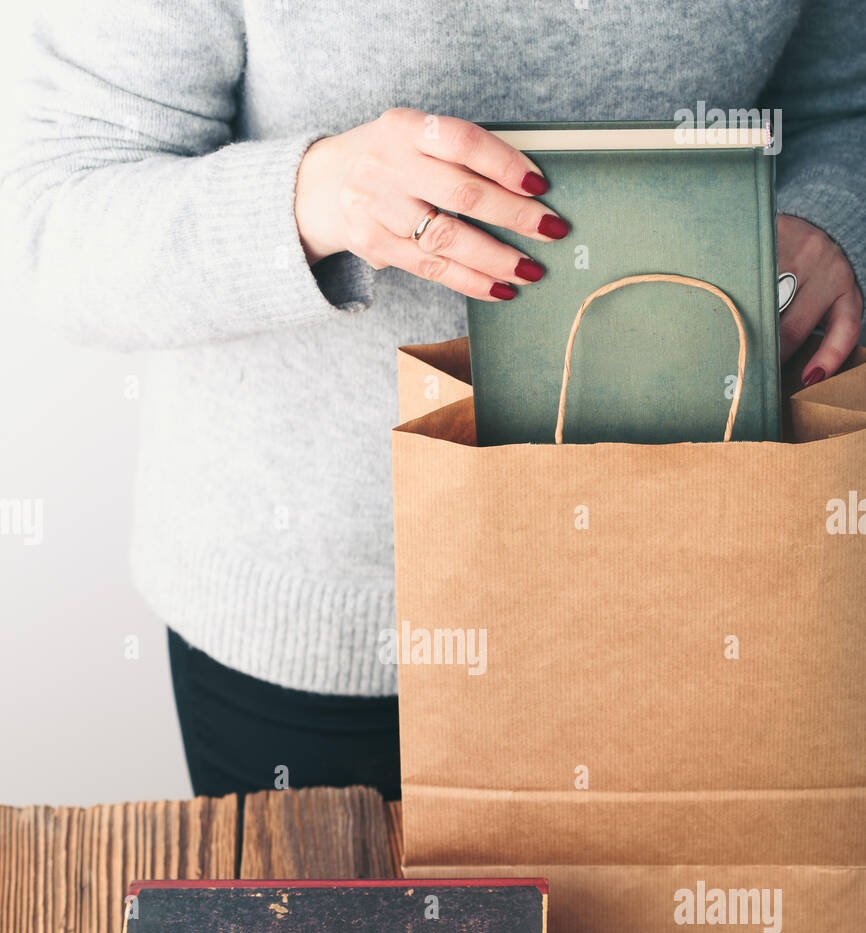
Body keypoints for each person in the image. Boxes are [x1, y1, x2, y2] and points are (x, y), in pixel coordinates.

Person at [3, 1, 863, 800]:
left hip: (706, 587)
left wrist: (829, 223)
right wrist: (315, 196)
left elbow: (839, 107)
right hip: (331, 618)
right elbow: (57, 220)